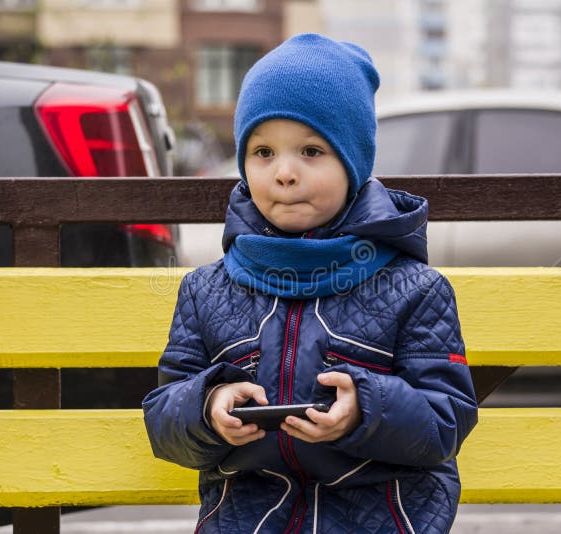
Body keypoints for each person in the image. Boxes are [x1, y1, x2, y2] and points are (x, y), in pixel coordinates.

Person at [143, 33, 478, 533]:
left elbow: (446, 420)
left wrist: (366, 409)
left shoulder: (414, 289)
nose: (284, 172)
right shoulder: (205, 289)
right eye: (262, 151)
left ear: (353, 164)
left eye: (311, 150)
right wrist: (208, 406)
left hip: (379, 519)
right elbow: (163, 416)